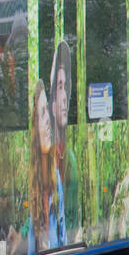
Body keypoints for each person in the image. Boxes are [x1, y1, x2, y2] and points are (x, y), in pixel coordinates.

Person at [49, 40, 80, 242]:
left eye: (66, 87)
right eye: (60, 87)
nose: (65, 97)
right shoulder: (44, 155)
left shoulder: (70, 159)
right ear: (51, 103)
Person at [29, 80, 66, 254]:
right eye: (42, 113)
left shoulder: (55, 176)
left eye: (48, 114)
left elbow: (62, 230)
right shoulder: (30, 182)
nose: (48, 122)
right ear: (34, 126)